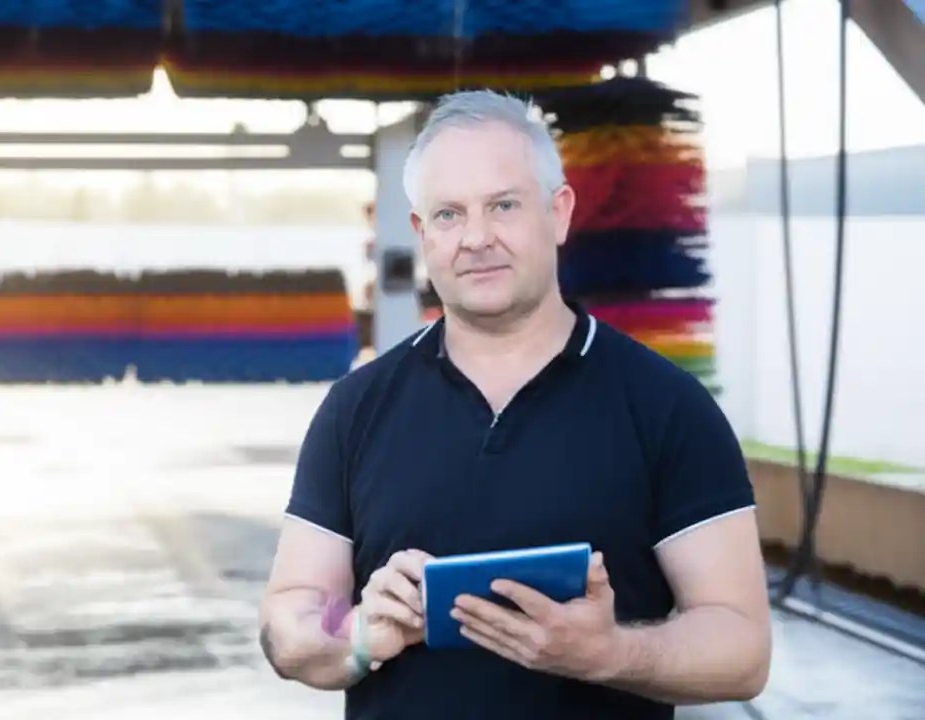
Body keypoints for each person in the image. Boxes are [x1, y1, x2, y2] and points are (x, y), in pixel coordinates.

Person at [258, 90, 771, 718]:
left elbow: (744, 648)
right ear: (421, 232)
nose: (476, 238)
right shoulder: (355, 407)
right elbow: (288, 621)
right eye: (448, 214)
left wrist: (610, 655)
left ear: (558, 214)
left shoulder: (667, 407)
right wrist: (359, 633)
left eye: (503, 205)